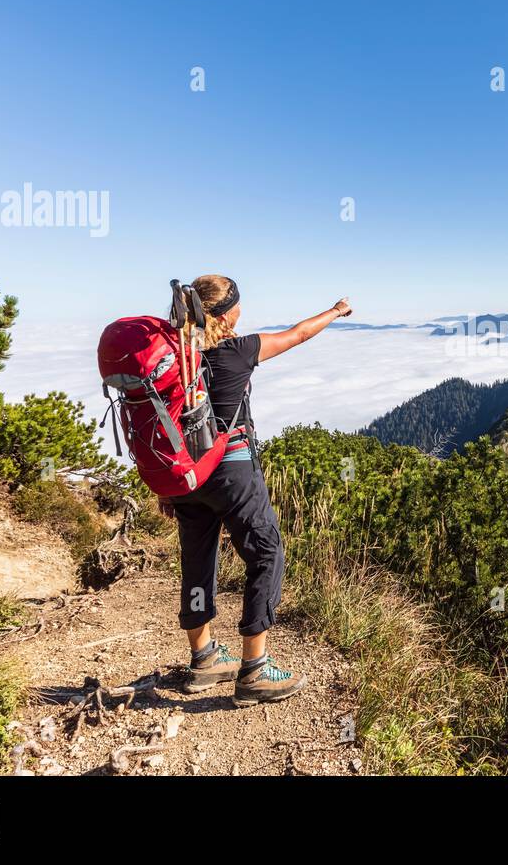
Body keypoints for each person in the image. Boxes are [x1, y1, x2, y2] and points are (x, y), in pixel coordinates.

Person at [159, 275, 351, 706]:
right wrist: (337, 312)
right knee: (267, 552)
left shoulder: (172, 358)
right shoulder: (238, 350)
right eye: (238, 308)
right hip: (231, 470)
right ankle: (255, 669)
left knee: (197, 557)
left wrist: (167, 485)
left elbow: (161, 424)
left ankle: (204, 659)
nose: (242, 314)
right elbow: (298, 334)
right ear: (226, 315)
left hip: (186, 477)